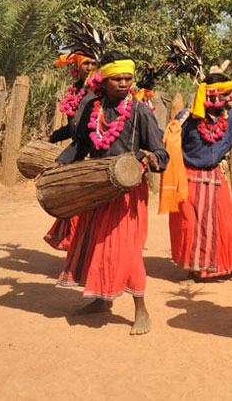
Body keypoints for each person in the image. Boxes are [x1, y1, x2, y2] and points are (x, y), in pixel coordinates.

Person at [52, 51, 168, 335]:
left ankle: (141, 310)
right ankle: (100, 300)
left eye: (128, 78)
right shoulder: (93, 108)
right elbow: (80, 145)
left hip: (127, 193)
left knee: (127, 251)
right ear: (103, 82)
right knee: (96, 245)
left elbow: (160, 152)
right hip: (97, 188)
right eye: (117, 78)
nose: (125, 83)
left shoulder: (140, 111)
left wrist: (152, 159)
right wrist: (59, 165)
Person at [163, 70, 232, 281]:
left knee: (223, 224)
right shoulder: (188, 117)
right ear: (211, 94)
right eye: (224, 95)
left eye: (229, 95)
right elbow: (171, 142)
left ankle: (228, 268)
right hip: (189, 179)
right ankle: (195, 268)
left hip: (216, 178)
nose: (229, 99)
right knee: (192, 225)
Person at [41, 52, 99, 251]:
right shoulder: (75, 91)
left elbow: (88, 133)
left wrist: (62, 160)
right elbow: (73, 127)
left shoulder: (100, 92)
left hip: (92, 156)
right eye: (86, 63)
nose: (89, 67)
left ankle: (83, 251)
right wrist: (53, 137)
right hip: (77, 152)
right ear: (77, 67)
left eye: (93, 63)